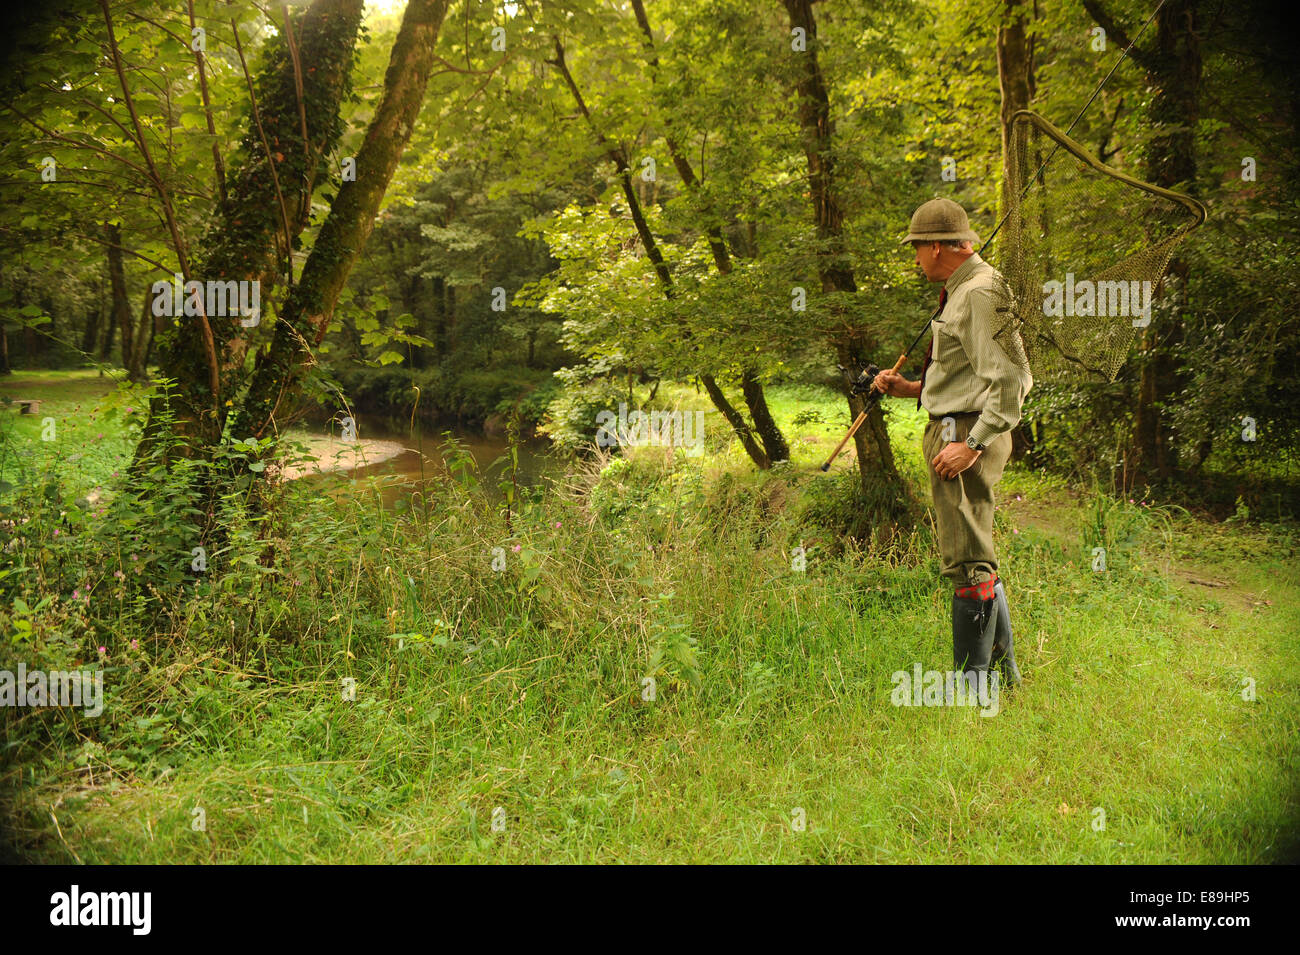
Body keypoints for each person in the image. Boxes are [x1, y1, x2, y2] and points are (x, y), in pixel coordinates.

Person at [871, 197, 1032, 691]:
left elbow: (1013, 378)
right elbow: (969, 374)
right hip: (957, 425)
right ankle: (1005, 677)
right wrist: (913, 390)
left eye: (916, 249)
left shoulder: (980, 291)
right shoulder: (963, 290)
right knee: (975, 551)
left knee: (966, 560)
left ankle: (971, 688)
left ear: (937, 246)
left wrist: (974, 444)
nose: (915, 259)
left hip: (965, 434)